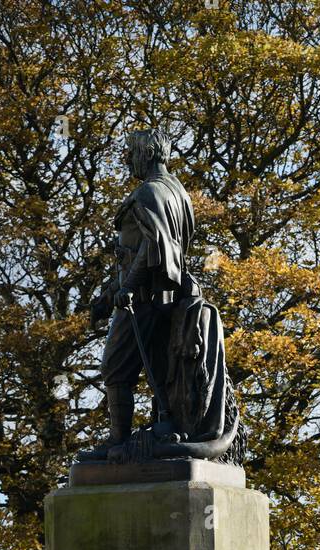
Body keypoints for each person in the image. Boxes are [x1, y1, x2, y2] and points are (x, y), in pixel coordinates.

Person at [89, 127, 195, 453]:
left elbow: (154, 247)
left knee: (115, 367)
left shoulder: (149, 192)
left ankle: (117, 443)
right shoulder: (178, 192)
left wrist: (127, 289)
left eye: (131, 153)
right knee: (158, 368)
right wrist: (108, 296)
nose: (127, 160)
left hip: (141, 298)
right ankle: (166, 428)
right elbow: (142, 251)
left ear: (146, 154)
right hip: (162, 295)